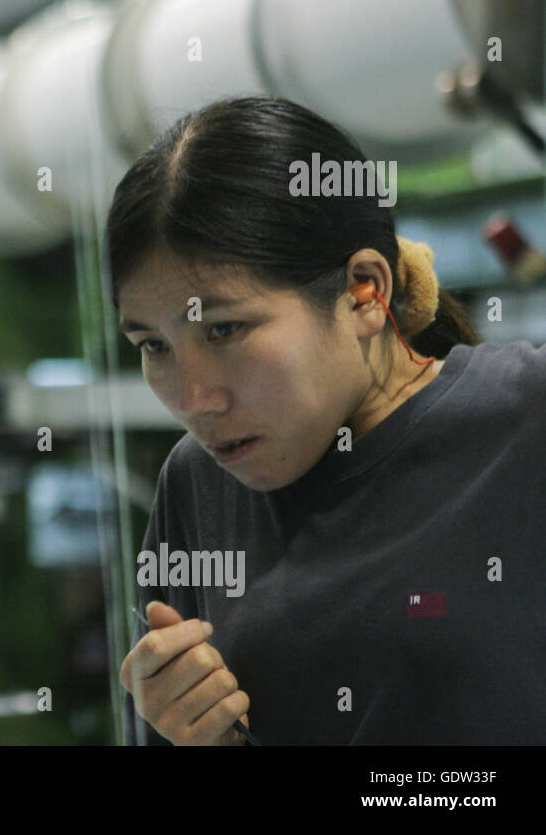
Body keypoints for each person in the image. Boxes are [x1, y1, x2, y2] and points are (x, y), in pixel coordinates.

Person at [108, 95, 546, 745]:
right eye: (153, 346)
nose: (194, 398)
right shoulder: (197, 487)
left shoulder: (525, 423)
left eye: (225, 329)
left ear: (364, 291)